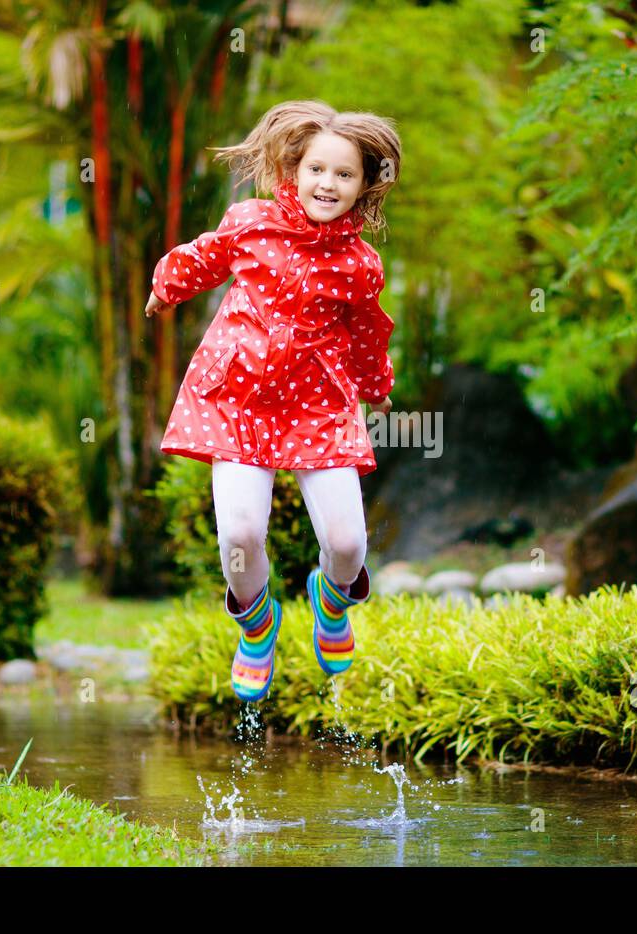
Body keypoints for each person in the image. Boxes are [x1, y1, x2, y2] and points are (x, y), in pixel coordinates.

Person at [145, 100, 402, 703]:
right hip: (238, 398)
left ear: (365, 186)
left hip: (319, 404)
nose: (328, 184)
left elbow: (368, 332)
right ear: (294, 170)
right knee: (238, 534)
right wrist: (163, 290)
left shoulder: (361, 266)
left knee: (346, 545)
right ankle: (255, 624)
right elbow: (202, 258)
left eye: (345, 175)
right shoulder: (250, 223)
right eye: (318, 169)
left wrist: (377, 387)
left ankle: (331, 601)